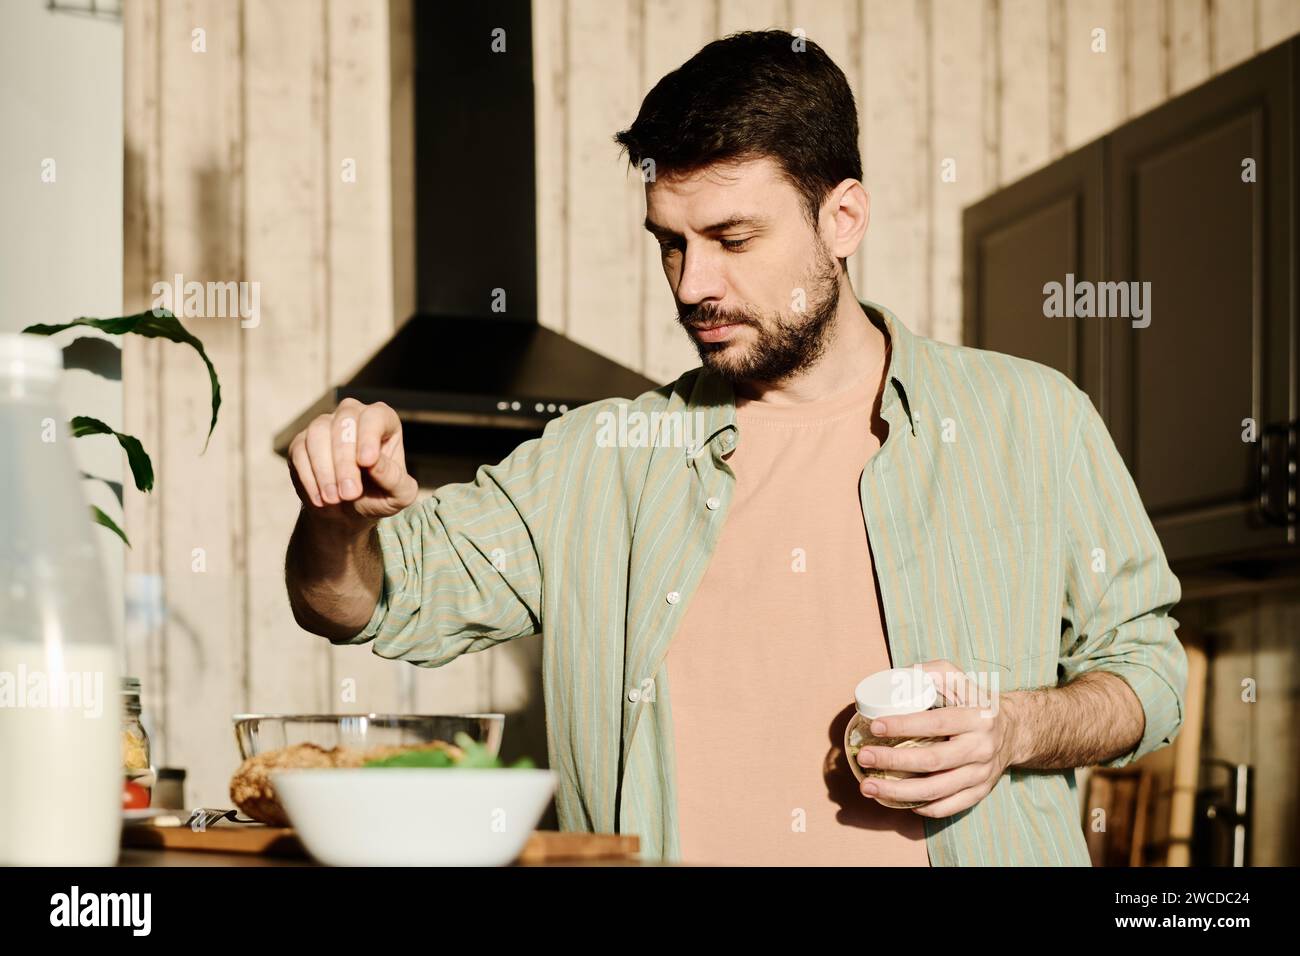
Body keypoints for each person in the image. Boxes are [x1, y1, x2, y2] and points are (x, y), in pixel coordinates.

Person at [284, 30, 1186, 865]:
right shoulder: (603, 457)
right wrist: (334, 519)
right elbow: (357, 602)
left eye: (733, 238)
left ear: (844, 219)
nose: (693, 284)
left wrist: (1016, 728)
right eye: (669, 244)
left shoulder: (1033, 421)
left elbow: (1149, 670)